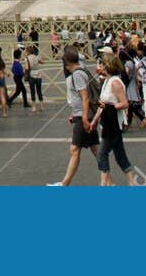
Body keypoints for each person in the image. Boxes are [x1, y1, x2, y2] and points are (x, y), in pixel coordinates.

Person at [50, 47, 98, 186]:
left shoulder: (77, 75)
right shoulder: (82, 71)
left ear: (67, 63)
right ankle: (109, 181)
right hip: (82, 114)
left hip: (83, 117)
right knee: (96, 150)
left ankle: (64, 184)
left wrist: (83, 117)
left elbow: (85, 97)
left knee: (75, 149)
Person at [91, 52, 138, 186]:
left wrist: (110, 107)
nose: (100, 66)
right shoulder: (107, 81)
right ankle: (131, 182)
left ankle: (105, 184)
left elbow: (125, 103)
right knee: (120, 156)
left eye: (102, 63)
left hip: (114, 123)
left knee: (102, 153)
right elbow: (102, 104)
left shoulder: (115, 83)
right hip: (108, 122)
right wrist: (94, 121)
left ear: (108, 65)